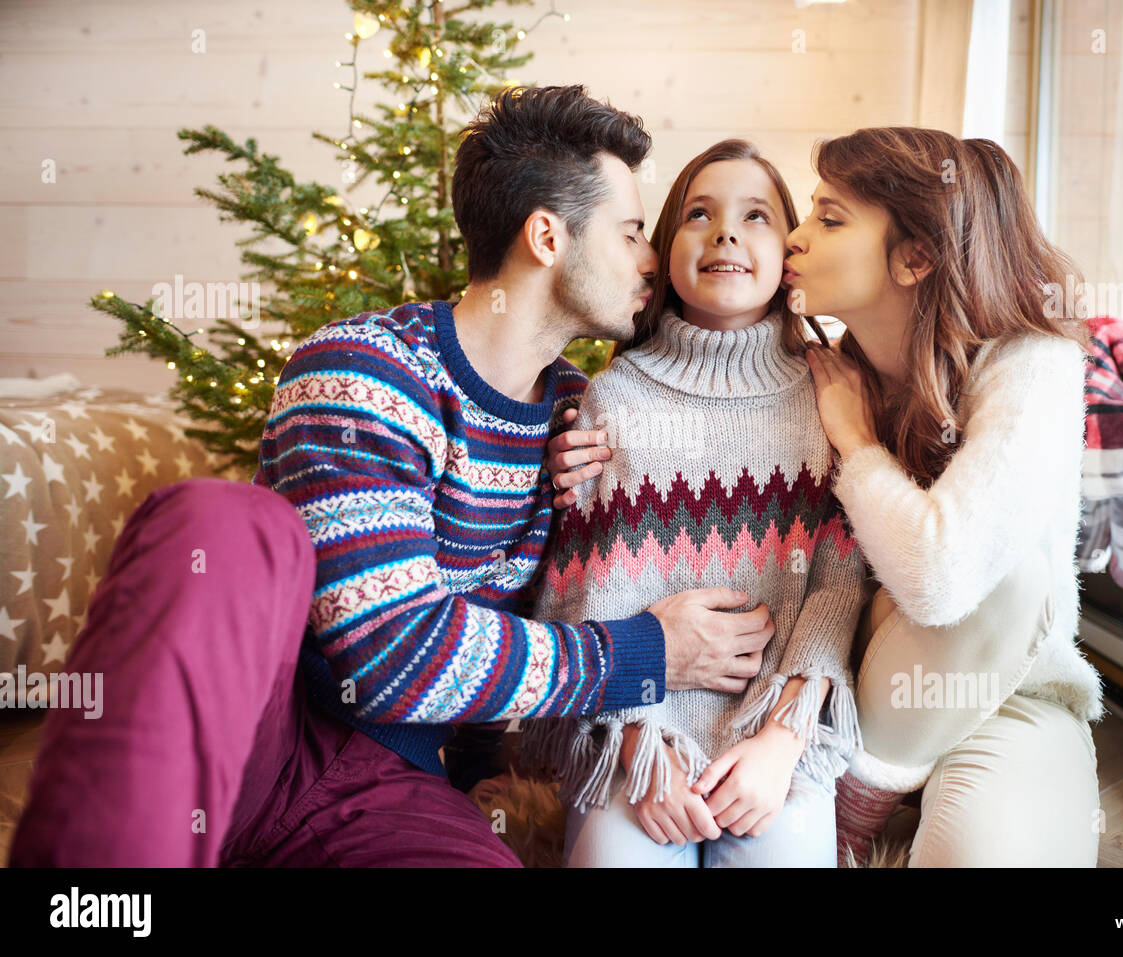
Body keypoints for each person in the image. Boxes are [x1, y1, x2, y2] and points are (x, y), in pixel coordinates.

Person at [8, 85, 776, 868]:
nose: (653, 258)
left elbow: (599, 588)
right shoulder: (364, 369)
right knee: (227, 526)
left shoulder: (582, 422)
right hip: (259, 732)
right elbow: (387, 654)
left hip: (395, 787)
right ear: (548, 236)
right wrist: (645, 654)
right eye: (632, 231)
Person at [521, 140, 869, 868]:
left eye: (756, 216)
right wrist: (638, 742)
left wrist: (783, 738)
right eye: (699, 215)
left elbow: (838, 588)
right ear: (663, 250)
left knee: (786, 852)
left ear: (791, 254)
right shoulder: (611, 398)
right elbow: (579, 591)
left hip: (775, 728)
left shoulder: (828, 394)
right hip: (635, 732)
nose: (726, 233)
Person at [795, 127, 1104, 866]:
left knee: (1009, 576)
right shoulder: (818, 366)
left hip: (1010, 693)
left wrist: (858, 445)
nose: (795, 239)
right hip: (853, 688)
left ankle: (855, 806)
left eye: (829, 219)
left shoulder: (1033, 364)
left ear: (917, 256)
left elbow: (946, 574)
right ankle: (850, 808)